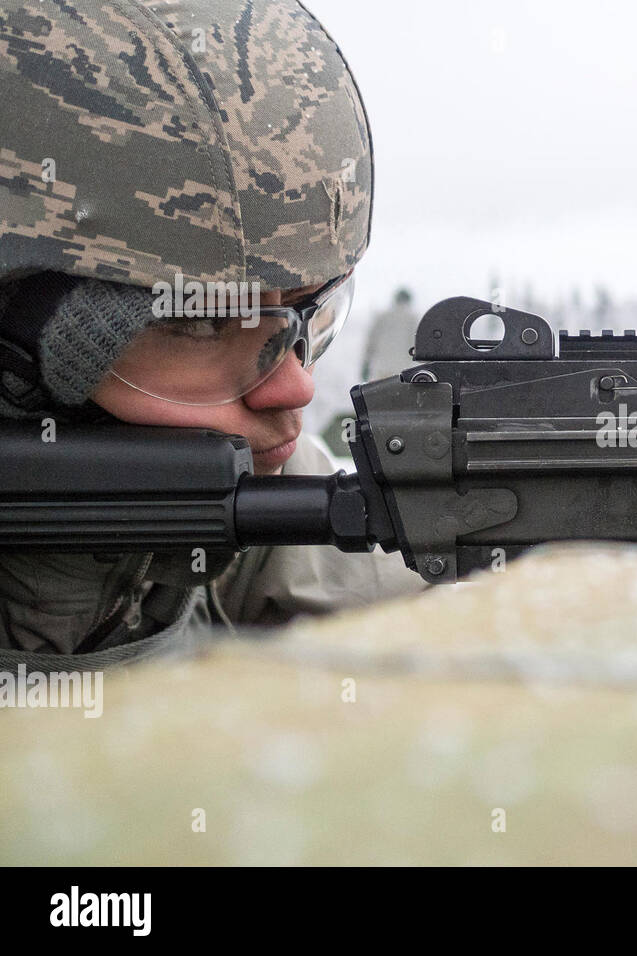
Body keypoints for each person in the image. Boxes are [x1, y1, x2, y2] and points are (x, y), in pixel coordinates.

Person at [0, 0, 426, 669]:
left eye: (309, 315)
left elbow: (410, 588)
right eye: (198, 321)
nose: (296, 384)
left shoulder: (245, 503)